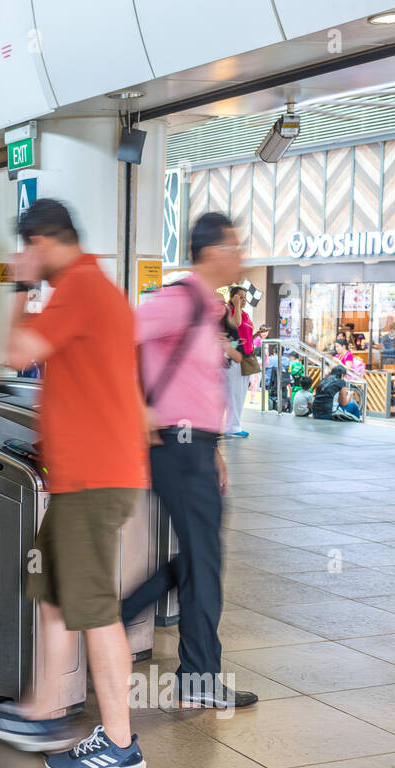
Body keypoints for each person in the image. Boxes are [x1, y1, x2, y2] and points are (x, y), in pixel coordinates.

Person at [0, 198, 148, 768]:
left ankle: (119, 742)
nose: (25, 259)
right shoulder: (93, 287)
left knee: (94, 608)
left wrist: (16, 284)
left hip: (93, 477)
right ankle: (42, 711)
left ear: (41, 243)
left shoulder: (80, 286)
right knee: (57, 595)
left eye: (28, 250)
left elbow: (15, 353)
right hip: (84, 473)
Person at [121, 212, 258, 710]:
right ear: (212, 251)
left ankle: (127, 620)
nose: (241, 256)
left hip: (197, 446)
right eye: (235, 247)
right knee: (205, 562)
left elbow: (199, 384)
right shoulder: (177, 300)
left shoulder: (208, 309)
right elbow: (118, 338)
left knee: (202, 559)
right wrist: (140, 412)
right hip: (174, 449)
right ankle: (197, 679)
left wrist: (216, 446)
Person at [223, 285, 252, 438]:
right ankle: (232, 427)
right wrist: (236, 305)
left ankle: (235, 424)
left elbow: (245, 335)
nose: (243, 300)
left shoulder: (245, 314)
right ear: (233, 297)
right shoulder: (230, 311)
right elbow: (236, 325)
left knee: (240, 392)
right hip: (233, 356)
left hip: (246, 356)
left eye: (244, 297)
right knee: (233, 392)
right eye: (240, 296)